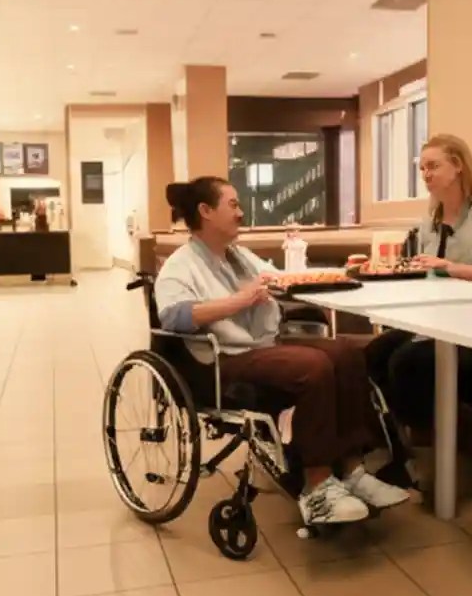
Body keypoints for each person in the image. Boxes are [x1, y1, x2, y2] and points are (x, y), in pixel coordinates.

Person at [154, 176, 411, 525]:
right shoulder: (181, 264)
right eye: (233, 205)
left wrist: (341, 273)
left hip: (262, 347)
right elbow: (173, 316)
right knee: (313, 366)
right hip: (223, 360)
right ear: (205, 211)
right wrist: (237, 301)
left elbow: (279, 278)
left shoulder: (238, 257)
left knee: (347, 354)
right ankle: (317, 487)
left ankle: (353, 470)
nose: (241, 212)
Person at [364, 134, 472, 438]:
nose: (426, 175)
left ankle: (428, 449)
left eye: (433, 166)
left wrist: (449, 267)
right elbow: (421, 269)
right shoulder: (429, 222)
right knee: (374, 354)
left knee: (407, 362)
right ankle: (395, 440)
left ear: (457, 167)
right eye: (422, 169)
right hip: (435, 322)